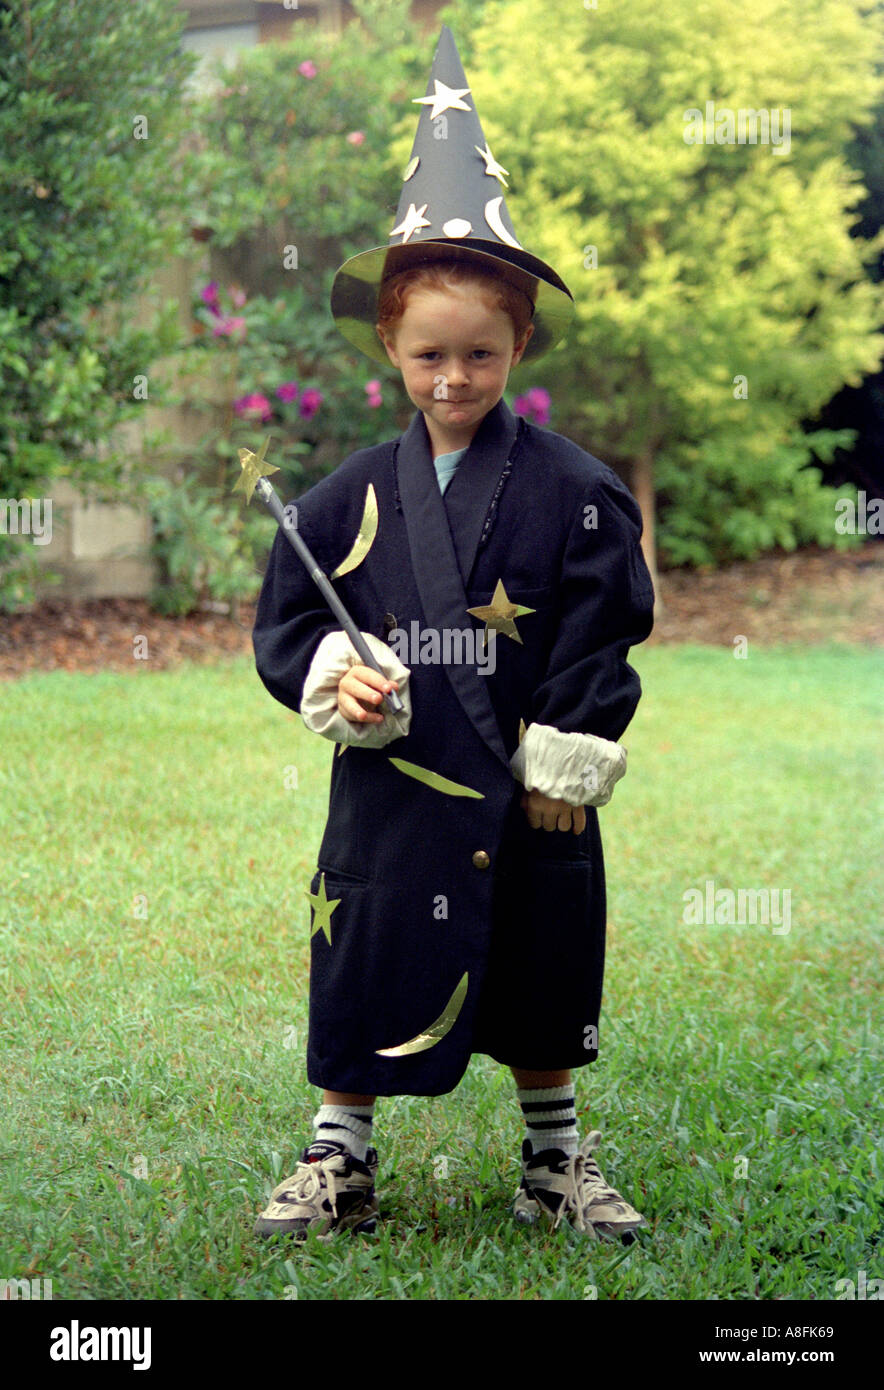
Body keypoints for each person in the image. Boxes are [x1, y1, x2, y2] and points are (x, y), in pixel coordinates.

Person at [250, 26, 655, 1243]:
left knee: (538, 958)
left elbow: (603, 627)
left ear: (517, 347)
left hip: (524, 793)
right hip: (389, 790)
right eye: (428, 353)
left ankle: (553, 1156)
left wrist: (565, 757)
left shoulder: (574, 489)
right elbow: (287, 621)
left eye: (479, 353)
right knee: (366, 945)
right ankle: (339, 1156)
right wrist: (335, 678)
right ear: (389, 346)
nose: (451, 377)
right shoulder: (337, 500)